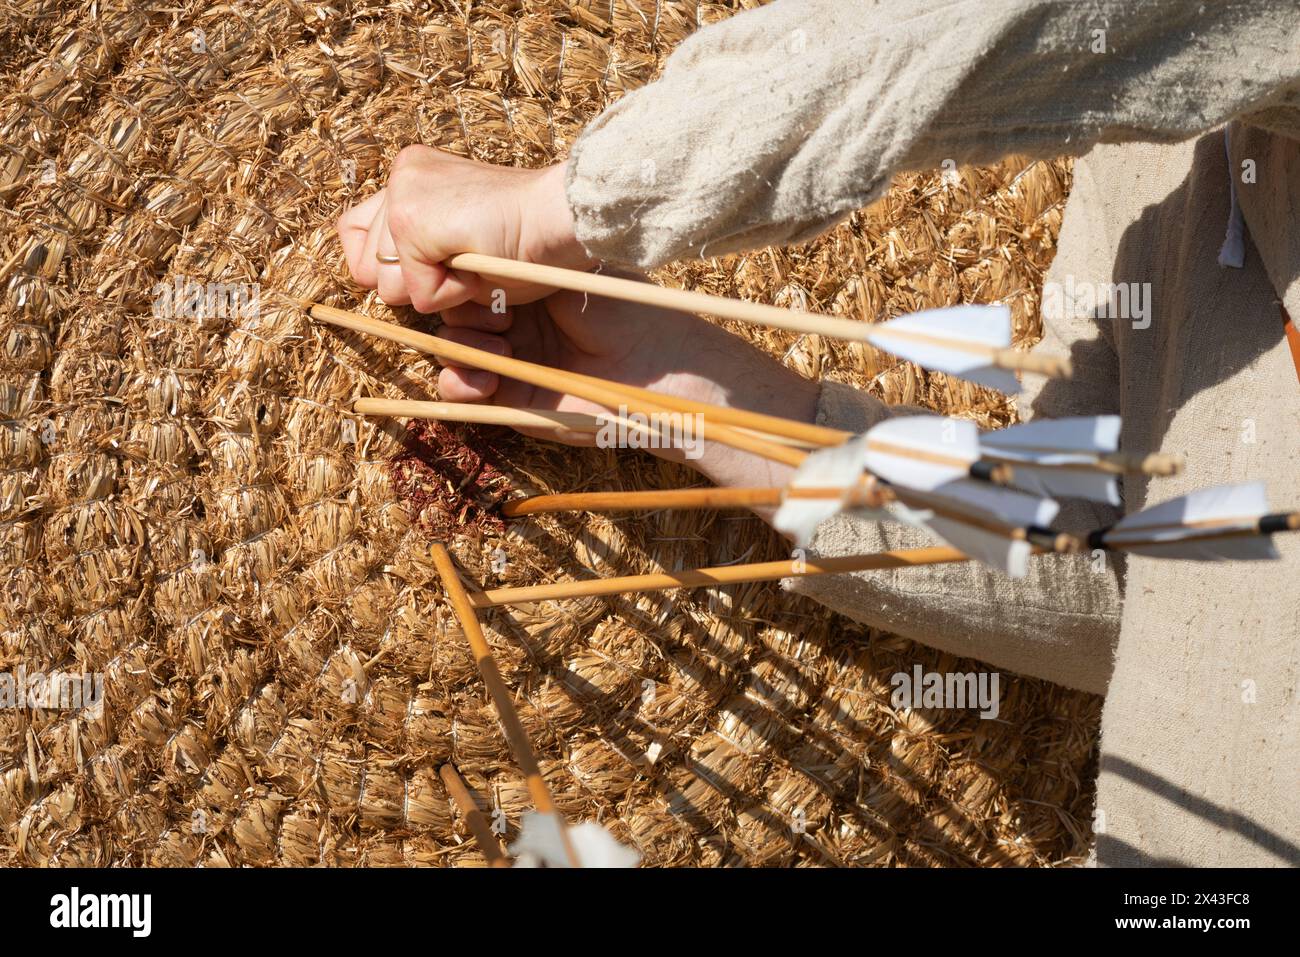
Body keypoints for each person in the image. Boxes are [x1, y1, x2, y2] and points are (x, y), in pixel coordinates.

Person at [339, 2, 1300, 866]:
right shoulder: (1141, 167)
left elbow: (969, 37)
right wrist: (682, 387)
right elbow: (1117, 560)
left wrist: (560, 208)